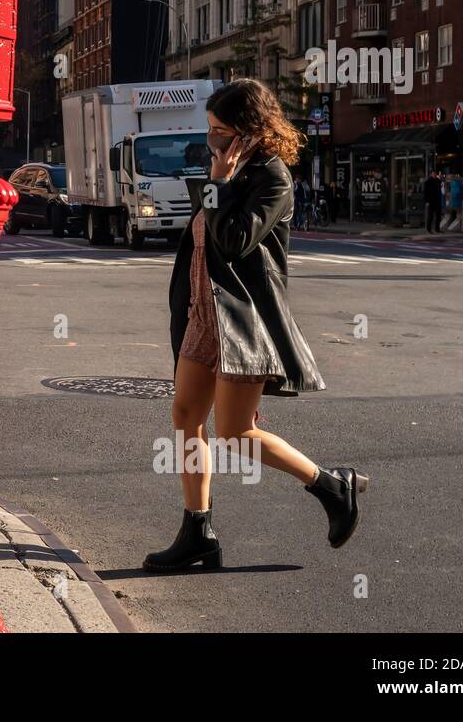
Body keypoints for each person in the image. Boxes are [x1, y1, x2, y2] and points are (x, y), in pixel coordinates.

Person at [145, 78, 365, 572]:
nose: (212, 141)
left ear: (250, 131)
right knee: (186, 415)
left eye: (221, 132)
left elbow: (234, 242)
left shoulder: (272, 178)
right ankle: (197, 532)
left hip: (244, 323)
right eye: (209, 131)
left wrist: (218, 185)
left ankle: (332, 485)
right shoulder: (226, 170)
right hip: (205, 314)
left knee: (234, 432)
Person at [422, 169, 444, 234]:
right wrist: (426, 201)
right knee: (430, 216)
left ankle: (437, 229)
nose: (434, 174)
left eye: (435, 173)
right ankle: (429, 229)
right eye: (433, 173)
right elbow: (425, 192)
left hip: (437, 200)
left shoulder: (438, 180)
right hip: (431, 201)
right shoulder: (428, 182)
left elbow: (441, 187)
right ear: (431, 174)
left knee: (438, 216)